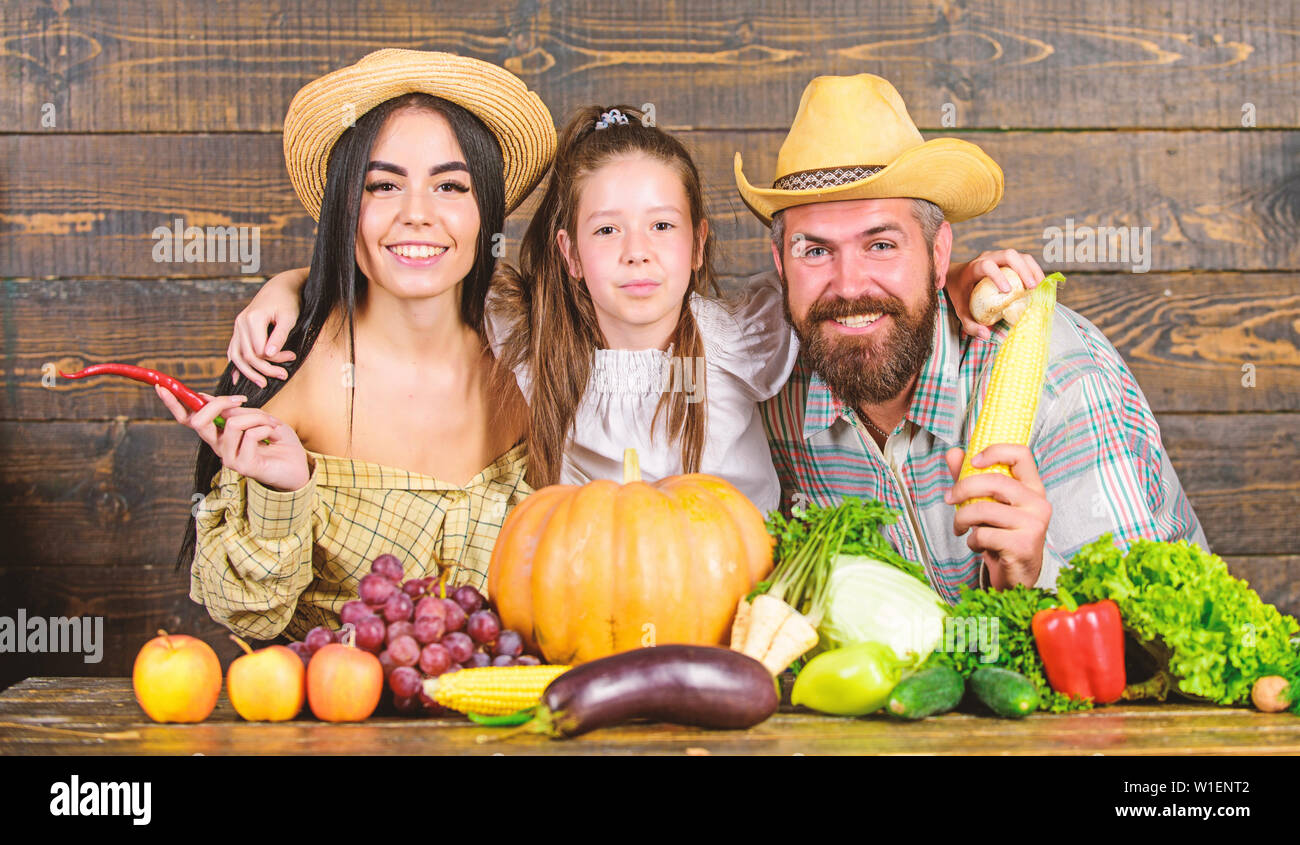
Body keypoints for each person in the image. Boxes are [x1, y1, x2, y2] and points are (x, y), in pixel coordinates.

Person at [228, 106, 1036, 514]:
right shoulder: (530, 332)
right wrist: (298, 284)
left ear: (697, 242)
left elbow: (845, 286)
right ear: (573, 256)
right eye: (607, 231)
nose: (638, 253)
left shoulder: (740, 336)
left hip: (741, 608)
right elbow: (422, 270)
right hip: (590, 605)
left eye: (660, 228)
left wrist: (953, 275)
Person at [734, 73, 1208, 601]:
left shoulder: (1059, 375)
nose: (848, 286)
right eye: (815, 251)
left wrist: (1031, 575)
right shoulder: (762, 382)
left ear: (938, 255)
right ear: (780, 265)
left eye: (882, 245)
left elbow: (1156, 637)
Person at [158, 50, 556, 640]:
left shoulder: (535, 344)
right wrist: (279, 491)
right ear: (347, 206)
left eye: (450, 185)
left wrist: (289, 280)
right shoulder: (282, 371)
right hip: (336, 721)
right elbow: (249, 615)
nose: (417, 214)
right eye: (383, 185)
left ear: (486, 211)